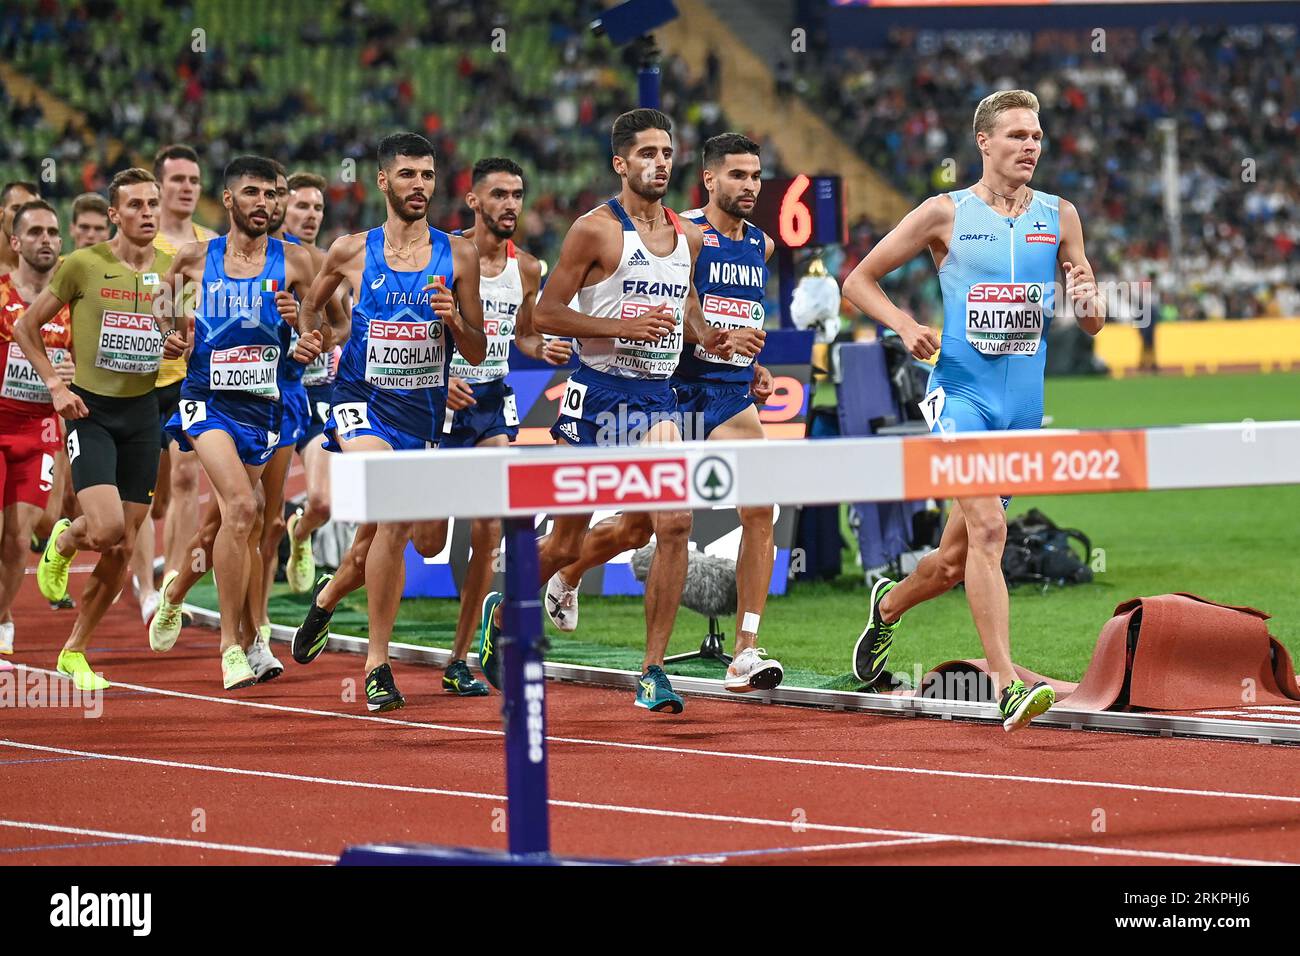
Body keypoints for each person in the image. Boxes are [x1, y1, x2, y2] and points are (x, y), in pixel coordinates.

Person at [841, 89, 1105, 732]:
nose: (1030, 146)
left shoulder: (1060, 215)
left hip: (1023, 410)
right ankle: (1007, 683)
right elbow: (856, 281)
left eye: (1037, 136)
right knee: (989, 530)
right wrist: (904, 325)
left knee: (955, 561)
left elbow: (1093, 322)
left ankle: (887, 609)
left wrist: (1088, 294)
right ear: (983, 143)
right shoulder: (944, 213)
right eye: (1016, 136)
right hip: (960, 395)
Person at [482, 108, 719, 714]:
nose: (660, 163)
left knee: (671, 524)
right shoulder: (596, 230)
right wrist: (624, 327)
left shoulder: (689, 235)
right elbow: (546, 315)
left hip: (655, 400)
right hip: (596, 395)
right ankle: (507, 608)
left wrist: (714, 340)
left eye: (667, 153)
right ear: (620, 162)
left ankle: (653, 671)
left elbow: (684, 300)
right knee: (563, 543)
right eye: (647, 153)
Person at [540, 132, 784, 694]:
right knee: (630, 527)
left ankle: (743, 649)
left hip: (714, 394)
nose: (750, 187)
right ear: (710, 178)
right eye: (738, 176)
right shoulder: (683, 231)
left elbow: (702, 309)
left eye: (756, 177)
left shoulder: (760, 247)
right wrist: (632, 331)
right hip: (662, 383)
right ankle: (566, 573)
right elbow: (568, 308)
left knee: (752, 508)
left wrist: (743, 360)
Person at [288, 132, 486, 713]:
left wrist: (455, 322)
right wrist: (309, 336)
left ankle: (324, 601)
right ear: (383, 181)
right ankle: (378, 663)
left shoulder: (460, 255)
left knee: (418, 538)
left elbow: (475, 351)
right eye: (407, 175)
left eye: (427, 175)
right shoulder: (350, 250)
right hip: (359, 403)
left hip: (422, 413)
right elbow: (310, 305)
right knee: (394, 517)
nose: (419, 185)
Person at [148, 155, 322, 690]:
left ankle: (175, 593)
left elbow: (323, 333)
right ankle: (233, 647)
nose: (264, 203)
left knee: (234, 523)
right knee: (244, 508)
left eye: (272, 195)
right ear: (229, 200)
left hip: (264, 405)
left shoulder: (297, 263)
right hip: (206, 400)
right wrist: (173, 335)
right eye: (253, 193)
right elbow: (162, 309)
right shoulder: (194, 261)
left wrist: (308, 336)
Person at [18, 169, 172, 690]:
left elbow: (180, 334)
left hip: (143, 415)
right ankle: (64, 541)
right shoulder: (83, 265)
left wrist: (178, 344)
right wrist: (55, 387)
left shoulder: (176, 270)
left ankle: (74, 650)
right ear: (115, 214)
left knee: (125, 545)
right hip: (93, 413)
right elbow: (25, 326)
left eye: (154, 204)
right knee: (104, 530)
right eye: (136, 206)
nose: (147, 213)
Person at [134, 145, 217, 625]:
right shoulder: (140, 244)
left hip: (192, 379)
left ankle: (169, 590)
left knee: (186, 478)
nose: (186, 188)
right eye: (177, 180)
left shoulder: (211, 243)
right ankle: (143, 584)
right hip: (142, 380)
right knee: (146, 492)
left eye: (193, 180)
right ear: (159, 187)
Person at [0, 200, 73, 657]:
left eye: (52, 232)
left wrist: (71, 376)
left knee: (16, 534)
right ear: (15, 242)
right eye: (35, 232)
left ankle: (3, 615)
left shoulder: (72, 304)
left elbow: (87, 361)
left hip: (41, 433)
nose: (45, 239)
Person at [281, 172, 339, 591]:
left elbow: (344, 324)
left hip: (318, 391)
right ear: (282, 207)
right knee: (252, 514)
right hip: (271, 390)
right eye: (302, 206)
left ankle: (300, 535)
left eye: (317, 207)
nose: (311, 215)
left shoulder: (325, 262)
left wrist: (321, 339)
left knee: (321, 501)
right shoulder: (263, 259)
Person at [0, 182, 41, 276]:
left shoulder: (49, 272)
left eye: (31, 211)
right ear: (1, 213)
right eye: (16, 209)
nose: (23, 217)